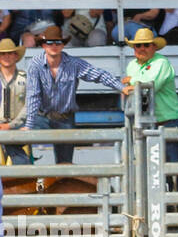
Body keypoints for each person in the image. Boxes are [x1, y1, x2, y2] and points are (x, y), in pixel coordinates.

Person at [23, 26, 131, 164]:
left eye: (58, 43)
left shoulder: (73, 64)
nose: (54, 46)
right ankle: (26, 169)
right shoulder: (35, 64)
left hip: (65, 117)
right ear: (43, 45)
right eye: (50, 43)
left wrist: (121, 87)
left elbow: (98, 75)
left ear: (63, 45)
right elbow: (33, 95)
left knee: (65, 163)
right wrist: (29, 125)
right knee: (21, 140)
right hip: (41, 117)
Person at [122, 28, 178, 180]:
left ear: (154, 47)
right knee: (151, 172)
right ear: (134, 48)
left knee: (172, 171)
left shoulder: (161, 62)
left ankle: (175, 203)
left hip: (167, 122)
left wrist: (131, 85)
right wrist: (134, 85)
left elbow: (150, 87)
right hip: (145, 124)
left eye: (146, 45)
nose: (142, 48)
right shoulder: (132, 65)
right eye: (138, 45)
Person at [0, 39, 30, 165]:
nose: (6, 57)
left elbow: (29, 106)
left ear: (16, 56)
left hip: (18, 128)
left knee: (22, 165)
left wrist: (10, 125)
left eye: (10, 53)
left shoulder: (25, 79)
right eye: (2, 54)